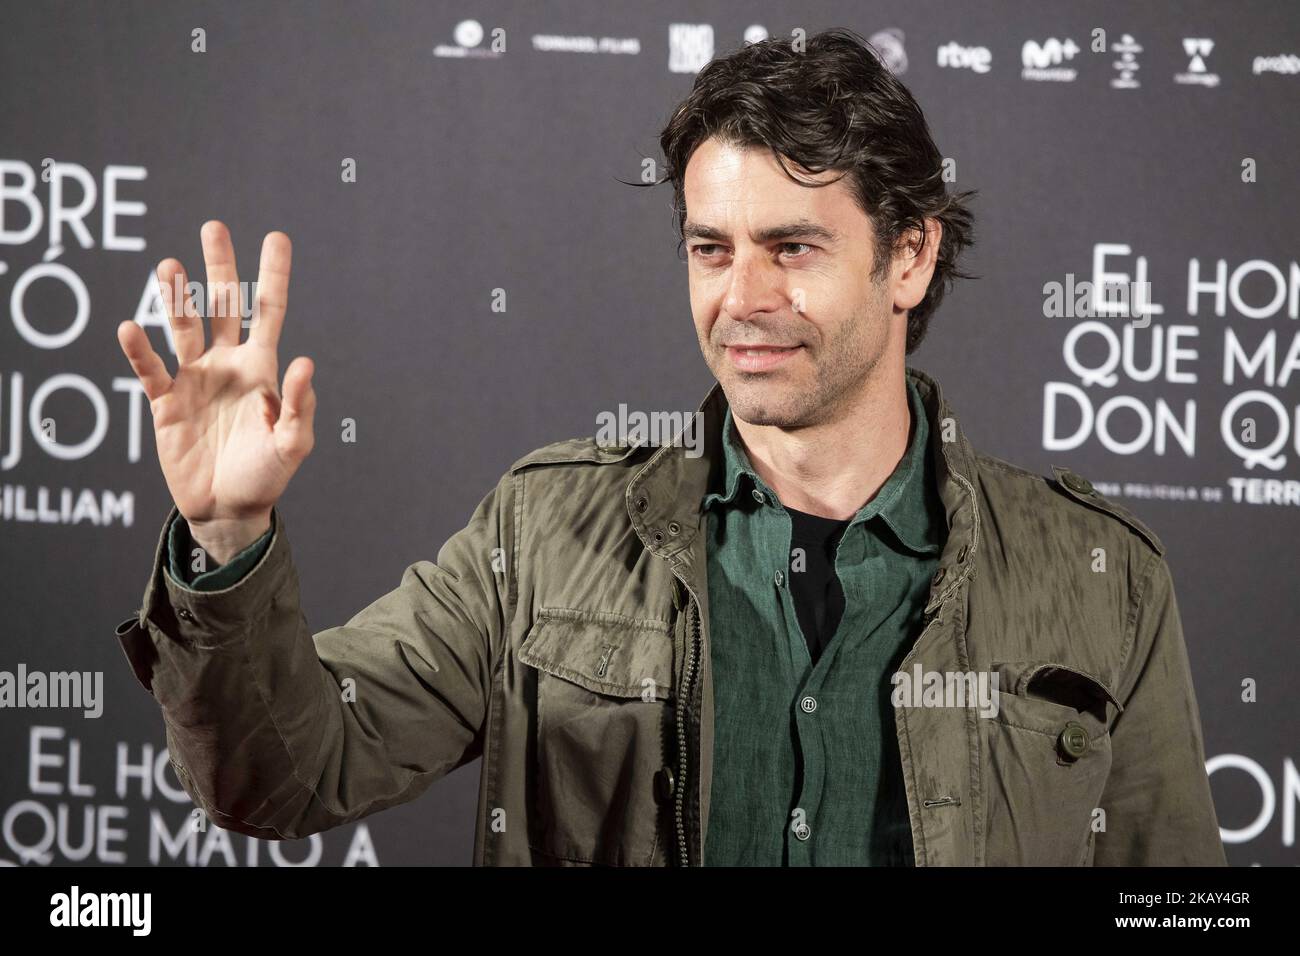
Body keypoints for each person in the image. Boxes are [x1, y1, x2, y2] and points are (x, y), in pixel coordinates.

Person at [114, 28, 1225, 866]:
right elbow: (282, 772)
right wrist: (226, 533)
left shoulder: (1099, 574)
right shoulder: (539, 532)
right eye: (709, 248)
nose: (741, 298)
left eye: (791, 247)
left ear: (910, 257)